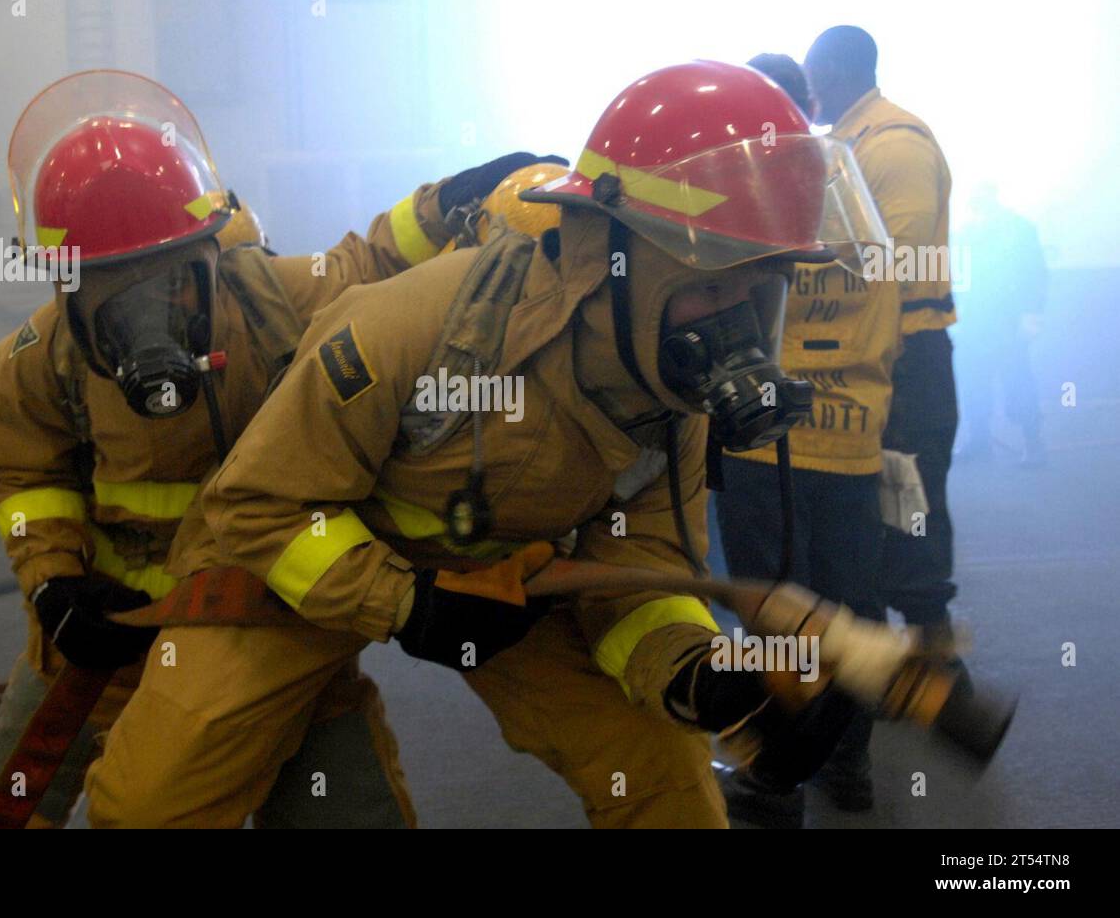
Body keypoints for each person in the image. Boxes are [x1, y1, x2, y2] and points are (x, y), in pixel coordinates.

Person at [86, 60, 895, 829]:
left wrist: (703, 678)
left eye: (761, 290)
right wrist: (404, 602)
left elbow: (635, 566)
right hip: (300, 558)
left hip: (508, 585)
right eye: (713, 283)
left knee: (668, 781)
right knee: (147, 804)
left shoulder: (665, 398)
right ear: (612, 257)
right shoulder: (401, 327)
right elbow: (257, 503)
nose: (738, 329)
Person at [0, 68, 557, 829]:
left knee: (347, 814)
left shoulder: (266, 302)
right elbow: (20, 472)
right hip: (106, 642)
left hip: (271, 633)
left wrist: (449, 197)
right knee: (4, 814)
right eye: (114, 296)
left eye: (175, 283)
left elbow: (373, 265)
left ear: (209, 254)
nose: (151, 318)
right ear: (67, 289)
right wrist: (55, 585)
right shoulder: (37, 362)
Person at [710, 54, 898, 826]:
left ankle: (775, 778)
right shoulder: (845, 182)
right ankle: (847, 765)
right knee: (850, 608)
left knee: (776, 614)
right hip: (853, 433)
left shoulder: (739, 192)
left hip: (769, 441)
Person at [803, 25, 960, 653]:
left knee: (909, 492)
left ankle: (933, 651)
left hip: (905, 354)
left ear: (835, 71)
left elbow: (900, 262)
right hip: (864, 353)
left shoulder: (893, 143)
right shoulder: (844, 142)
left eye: (812, 75)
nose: (807, 91)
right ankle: (883, 656)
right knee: (870, 500)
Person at [954, 183, 1049, 465]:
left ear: (992, 196)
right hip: (975, 320)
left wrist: (1031, 314)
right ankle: (980, 441)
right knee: (973, 382)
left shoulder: (1019, 229)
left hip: (1009, 320)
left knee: (1018, 381)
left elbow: (1035, 274)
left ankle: (1033, 443)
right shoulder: (968, 232)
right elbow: (959, 275)